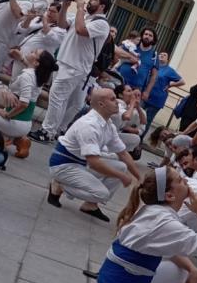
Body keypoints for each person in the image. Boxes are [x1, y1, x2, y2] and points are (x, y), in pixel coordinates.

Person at [46, 86, 141, 220]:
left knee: (121, 167)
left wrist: (139, 178)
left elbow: (123, 153)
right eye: (112, 99)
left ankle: (90, 205)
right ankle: (59, 184)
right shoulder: (89, 125)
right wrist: (122, 177)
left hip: (81, 163)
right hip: (64, 165)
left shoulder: (108, 124)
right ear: (101, 104)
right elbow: (94, 163)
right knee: (103, 193)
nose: (117, 102)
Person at [31, 0, 112, 142]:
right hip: (65, 61)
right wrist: (65, 7)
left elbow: (81, 30)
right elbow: (62, 24)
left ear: (102, 6)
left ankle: (47, 131)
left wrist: (80, 8)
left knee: (57, 97)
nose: (89, 1)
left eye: (94, 0)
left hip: (75, 66)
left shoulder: (102, 24)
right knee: (63, 100)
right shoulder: (84, 16)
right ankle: (55, 130)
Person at [0, 50, 57, 158]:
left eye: (34, 52)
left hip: (15, 122)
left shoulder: (27, 76)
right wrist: (21, 58)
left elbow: (24, 103)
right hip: (24, 123)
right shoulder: (37, 75)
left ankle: (5, 138)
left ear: (36, 63)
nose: (31, 51)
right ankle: (19, 140)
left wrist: (7, 115)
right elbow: (30, 66)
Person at [141, 50, 184, 136]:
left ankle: (140, 138)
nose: (162, 55)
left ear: (167, 60)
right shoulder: (153, 66)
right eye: (160, 54)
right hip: (144, 94)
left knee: (147, 120)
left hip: (157, 99)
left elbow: (182, 81)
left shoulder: (169, 70)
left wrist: (170, 85)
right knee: (137, 115)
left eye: (164, 55)